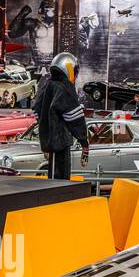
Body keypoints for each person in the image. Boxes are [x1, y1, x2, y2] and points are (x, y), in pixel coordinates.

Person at [33, 51, 88, 180]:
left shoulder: (48, 85)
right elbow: (75, 119)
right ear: (68, 68)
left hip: (49, 143)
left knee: (52, 178)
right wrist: (84, 143)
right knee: (61, 180)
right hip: (60, 143)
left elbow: (37, 110)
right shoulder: (64, 87)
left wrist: (45, 142)